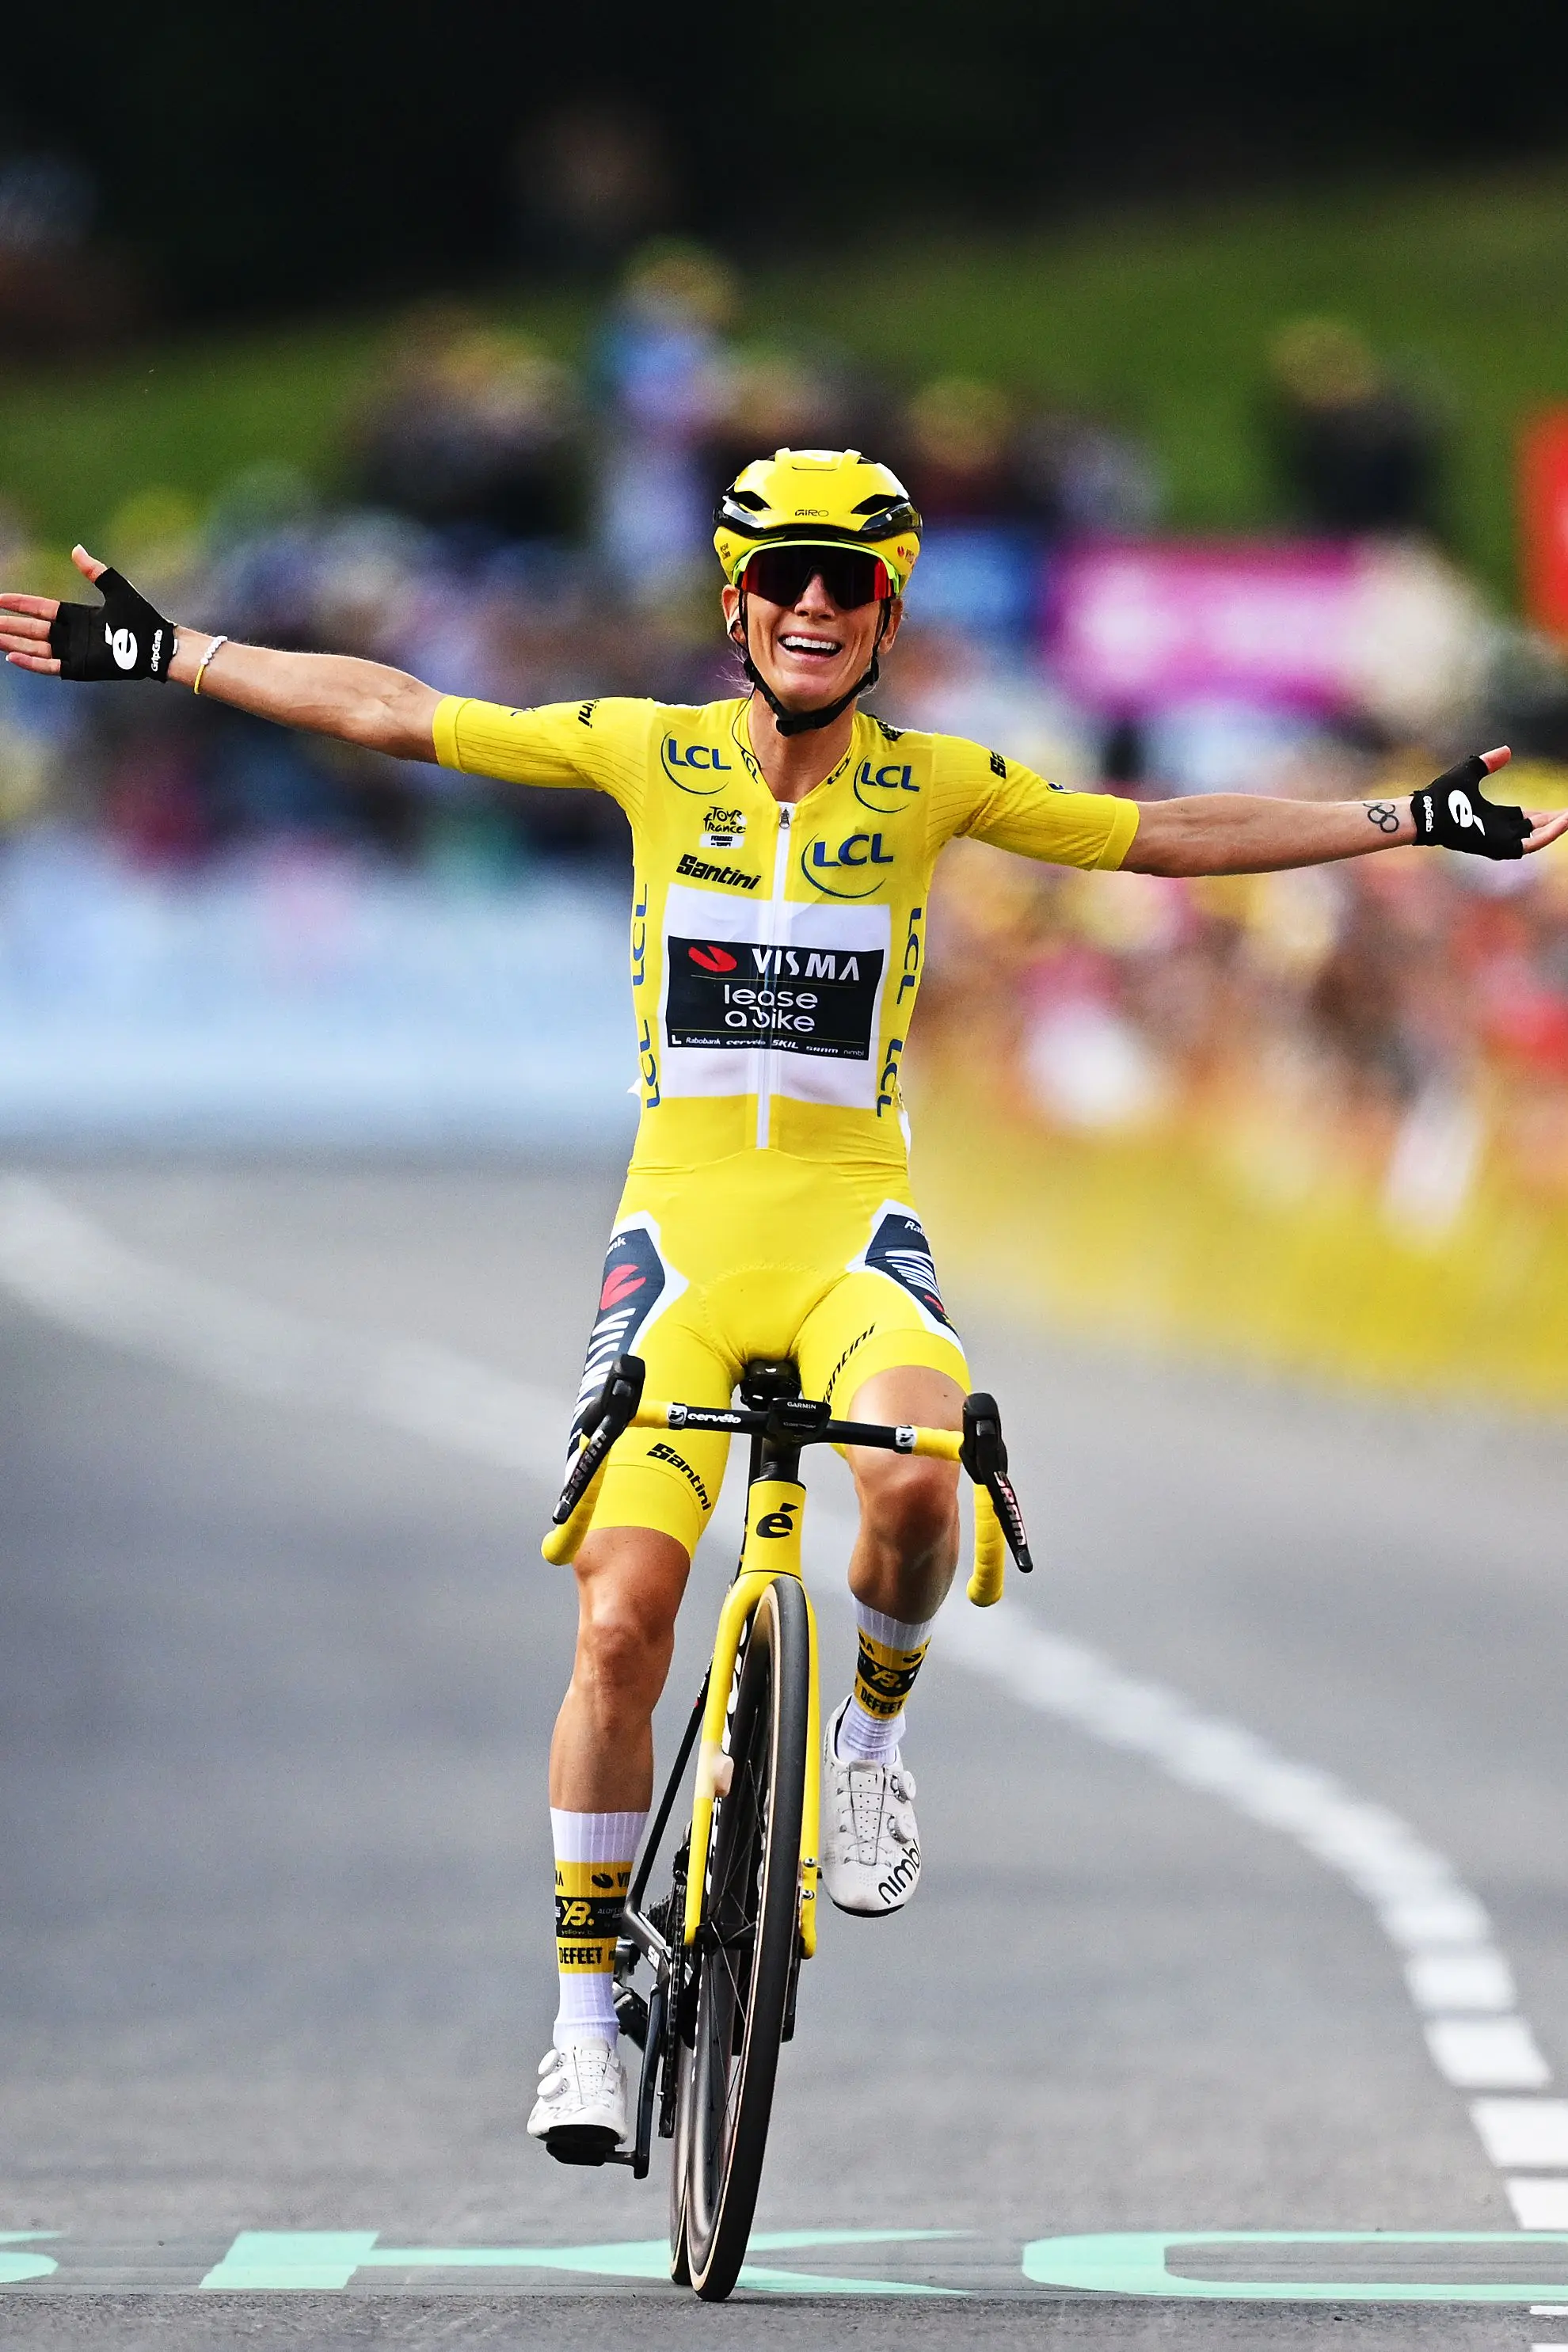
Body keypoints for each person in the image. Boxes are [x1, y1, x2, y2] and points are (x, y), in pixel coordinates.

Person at [6, 449, 1562, 2166]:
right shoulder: (642, 747)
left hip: (847, 1231)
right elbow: (399, 709)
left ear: (885, 615)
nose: (815, 603)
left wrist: (1406, 822)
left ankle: (872, 1741)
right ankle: (582, 2022)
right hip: (679, 1238)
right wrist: (181, 655)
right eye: (786, 577)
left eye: (849, 581)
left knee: (917, 1473)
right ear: (736, 602)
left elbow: (1166, 837)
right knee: (621, 1623)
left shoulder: (937, 781)